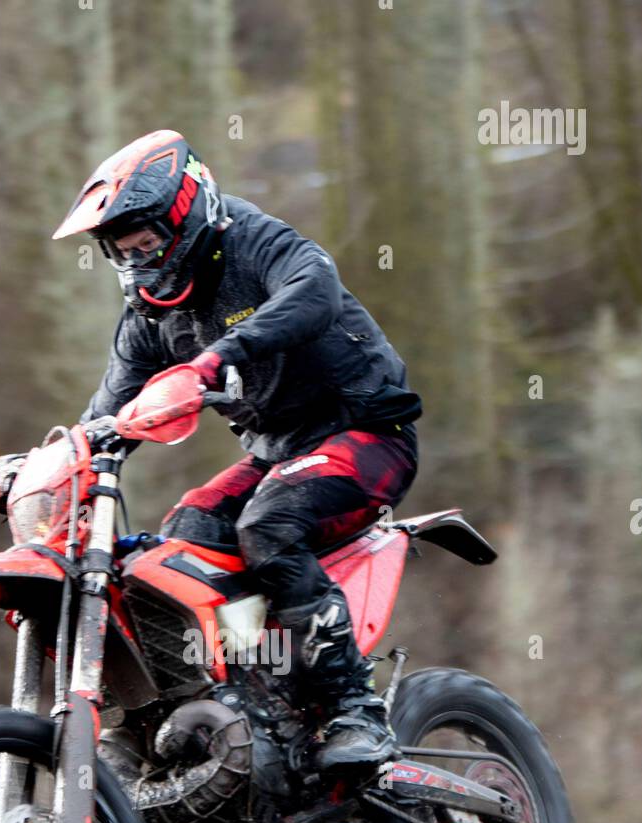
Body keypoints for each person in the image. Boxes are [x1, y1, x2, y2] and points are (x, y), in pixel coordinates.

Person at [52, 130, 422, 771]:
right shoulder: (148, 317)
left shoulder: (252, 241)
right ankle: (246, 692)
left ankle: (351, 711)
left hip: (366, 433)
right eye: (125, 251)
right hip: (280, 455)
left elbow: (315, 288)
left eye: (149, 244)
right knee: (180, 541)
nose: (140, 263)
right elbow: (103, 417)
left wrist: (214, 361)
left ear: (187, 211)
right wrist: (28, 474)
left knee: (268, 525)